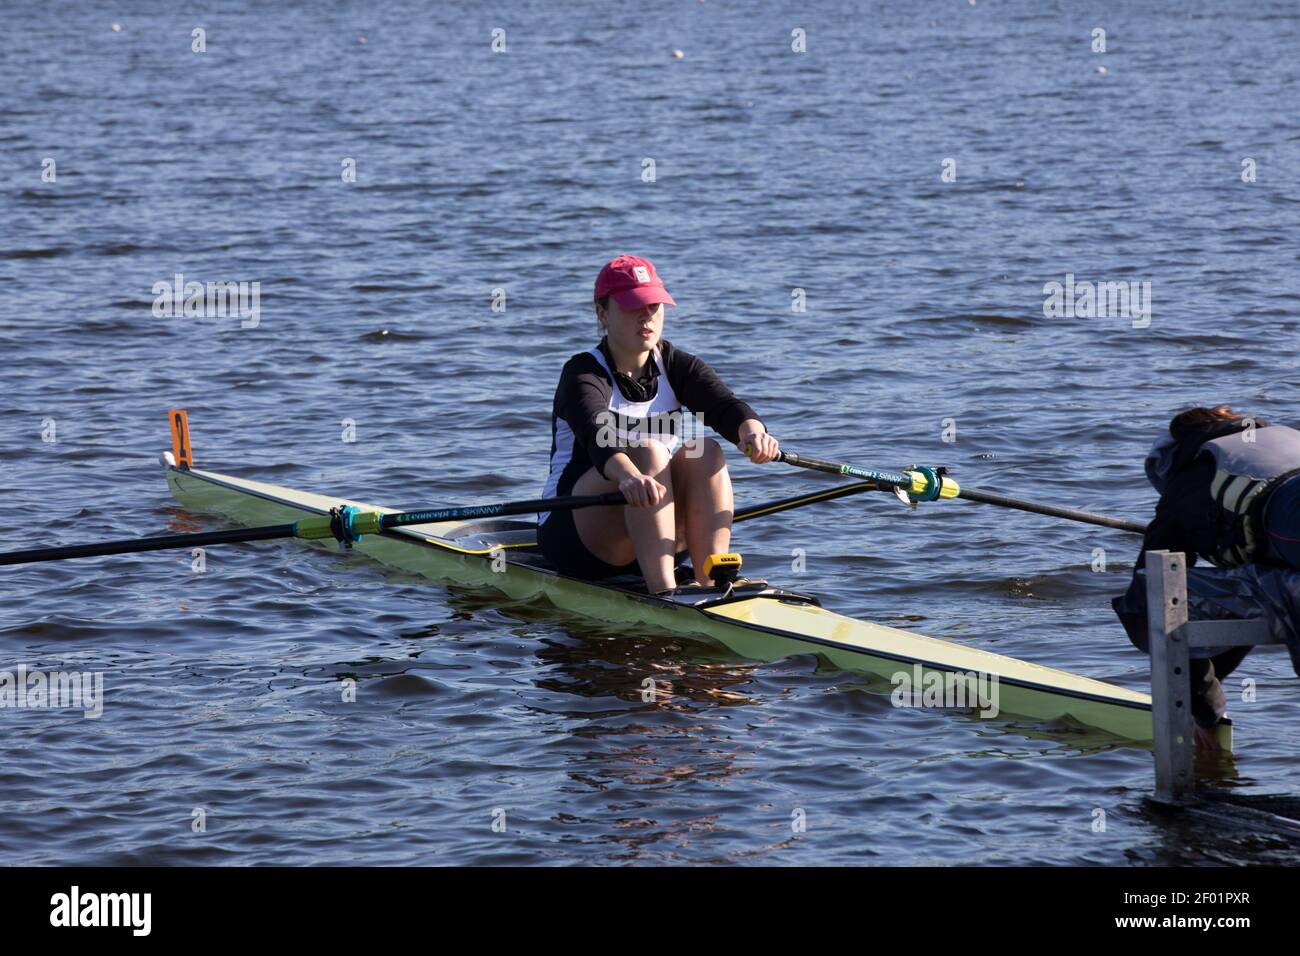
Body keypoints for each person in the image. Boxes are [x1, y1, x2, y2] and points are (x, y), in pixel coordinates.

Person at [537, 255, 778, 594]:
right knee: (649, 454)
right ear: (602, 313)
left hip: (651, 529)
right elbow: (595, 433)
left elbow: (724, 406)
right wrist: (628, 476)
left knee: (704, 452)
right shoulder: (582, 373)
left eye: (653, 305)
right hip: (576, 535)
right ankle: (665, 592)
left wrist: (753, 431)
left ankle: (711, 581)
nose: (646, 316)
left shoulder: (676, 365)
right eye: (634, 306)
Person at [1113, 404, 1300, 747]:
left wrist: (1204, 709)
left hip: (1289, 513)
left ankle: (1206, 730)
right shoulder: (1278, 438)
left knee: (1156, 599)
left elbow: (1155, 591)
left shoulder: (1192, 473)